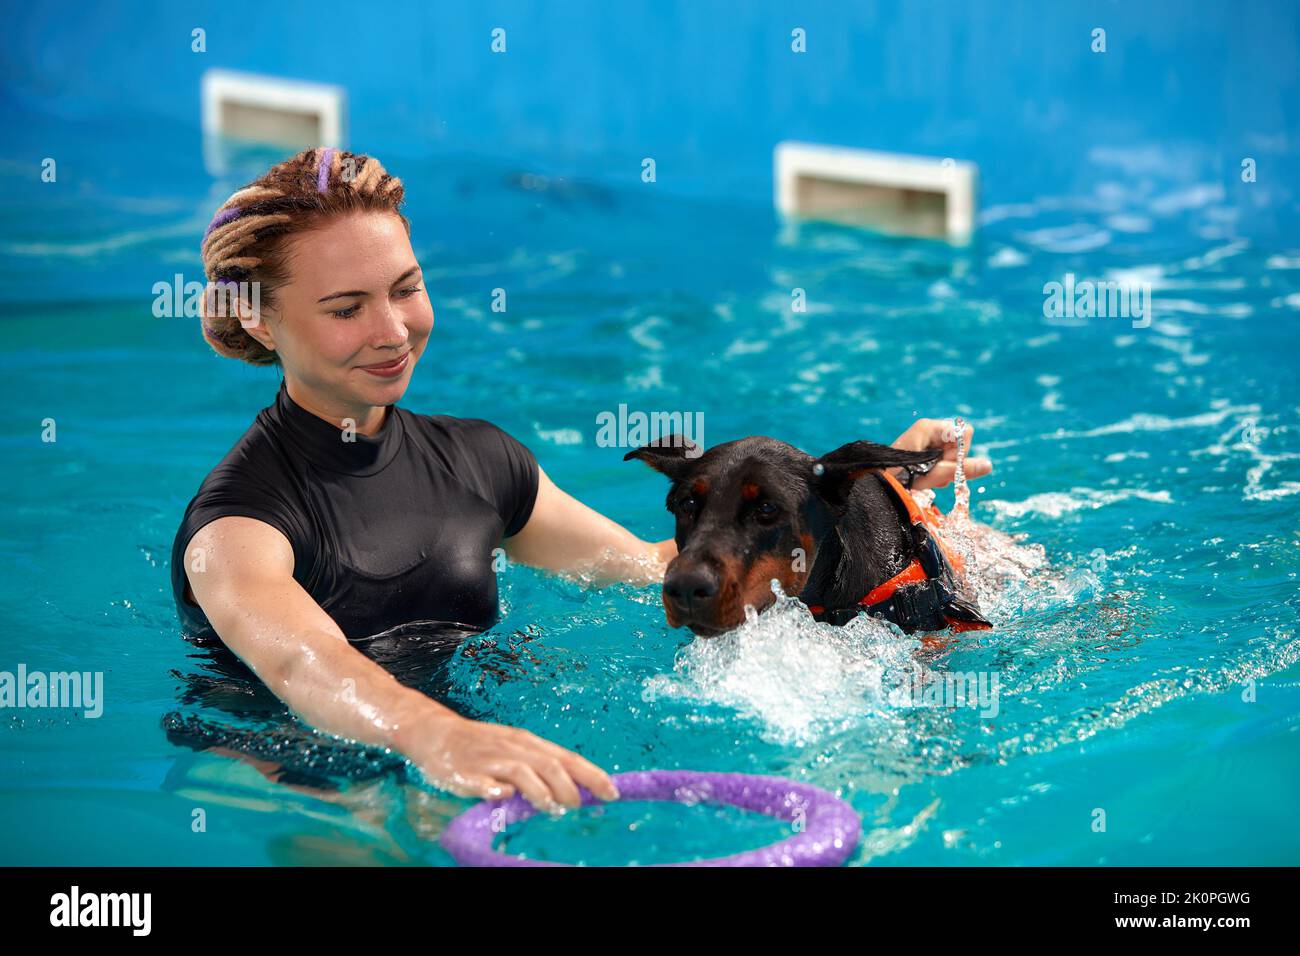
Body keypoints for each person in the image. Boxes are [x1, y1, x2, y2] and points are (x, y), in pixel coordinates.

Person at [172, 147, 992, 815]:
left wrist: (869, 492)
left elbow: (650, 566)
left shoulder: (482, 463)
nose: (392, 331)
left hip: (475, 752)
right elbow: (303, 668)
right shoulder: (238, 525)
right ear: (257, 315)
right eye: (346, 308)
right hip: (293, 777)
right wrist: (437, 740)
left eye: (407, 288)